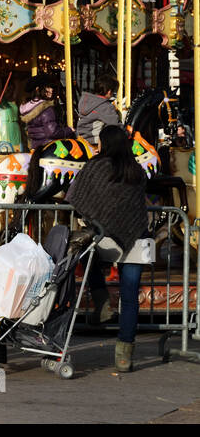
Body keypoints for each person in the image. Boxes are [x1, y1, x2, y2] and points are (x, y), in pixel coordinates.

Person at [65, 124, 148, 372]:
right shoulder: (137, 171)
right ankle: (124, 354)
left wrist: (95, 217)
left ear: (105, 143)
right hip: (138, 238)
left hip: (106, 237)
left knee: (84, 257)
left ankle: (101, 300)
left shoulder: (95, 167)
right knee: (130, 296)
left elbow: (77, 199)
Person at [20, 73, 74, 151]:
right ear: (38, 89)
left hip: (35, 148)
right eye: (48, 87)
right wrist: (69, 130)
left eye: (51, 87)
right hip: (49, 147)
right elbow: (52, 132)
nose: (51, 90)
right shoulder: (47, 109)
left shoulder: (29, 108)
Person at [76, 73, 121, 148]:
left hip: (81, 140)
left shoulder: (87, 101)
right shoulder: (104, 106)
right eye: (114, 92)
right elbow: (115, 125)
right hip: (95, 143)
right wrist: (128, 133)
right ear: (109, 91)